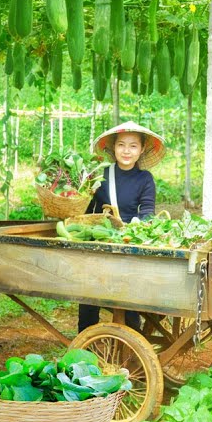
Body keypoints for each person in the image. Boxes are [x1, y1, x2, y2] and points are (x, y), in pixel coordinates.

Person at [76, 121, 166, 333]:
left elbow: (147, 213)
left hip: (128, 244)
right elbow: (86, 209)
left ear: (142, 149)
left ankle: (130, 343)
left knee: (128, 304)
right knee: (88, 297)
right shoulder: (101, 175)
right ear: (113, 148)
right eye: (121, 145)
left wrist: (133, 227)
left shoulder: (145, 179)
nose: (126, 151)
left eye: (133, 146)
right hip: (100, 242)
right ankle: (85, 342)